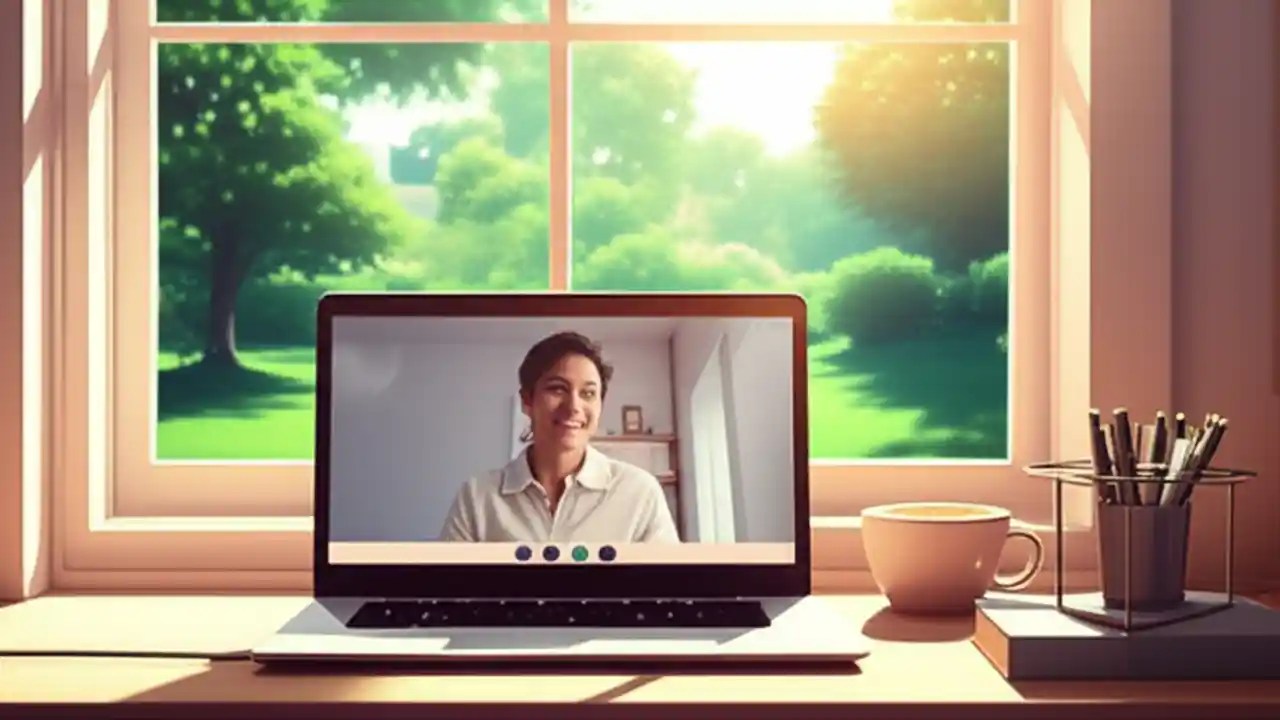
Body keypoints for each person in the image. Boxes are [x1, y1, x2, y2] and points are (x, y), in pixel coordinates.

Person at [438, 331, 680, 543]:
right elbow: (445, 590)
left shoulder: (639, 491)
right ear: (527, 400)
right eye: (557, 388)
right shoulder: (478, 496)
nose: (574, 406)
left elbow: (669, 589)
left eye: (588, 393)